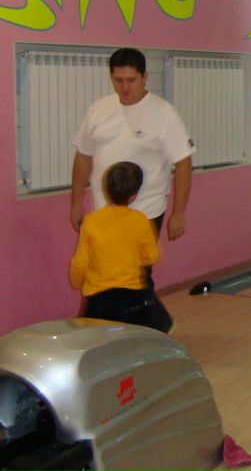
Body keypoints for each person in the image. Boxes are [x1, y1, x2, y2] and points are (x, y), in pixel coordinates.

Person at [70, 47, 195, 331]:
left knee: (137, 273)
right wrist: (76, 202)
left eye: (131, 80)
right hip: (104, 212)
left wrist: (179, 212)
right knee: (108, 274)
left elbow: (183, 164)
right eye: (118, 80)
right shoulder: (99, 110)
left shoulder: (163, 113)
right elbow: (83, 157)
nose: (124, 87)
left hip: (146, 209)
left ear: (144, 77)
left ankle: (153, 329)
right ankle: (149, 327)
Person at [69, 161, 161, 328]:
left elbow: (80, 261)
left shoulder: (91, 221)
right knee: (135, 336)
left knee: (94, 337)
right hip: (132, 297)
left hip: (98, 298)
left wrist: (76, 281)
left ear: (106, 190)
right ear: (133, 196)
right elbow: (151, 256)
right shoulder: (140, 220)